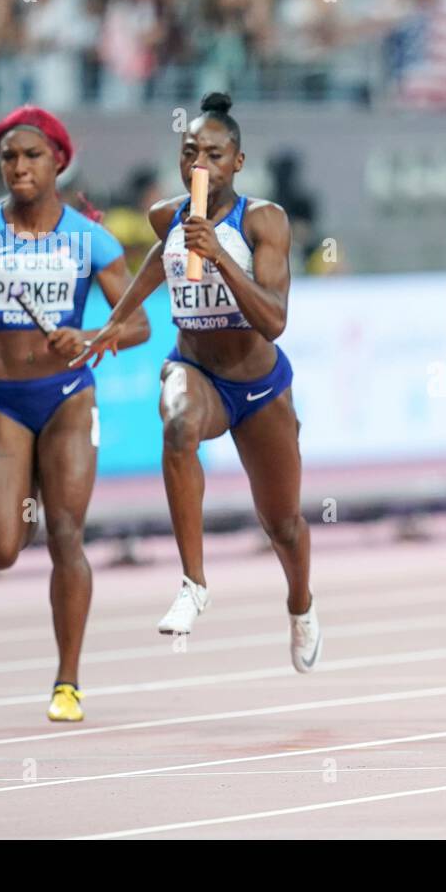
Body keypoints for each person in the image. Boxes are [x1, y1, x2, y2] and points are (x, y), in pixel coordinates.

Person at [73, 92, 321, 674]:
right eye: (189, 153)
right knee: (178, 423)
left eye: (213, 153)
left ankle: (301, 604)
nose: (199, 164)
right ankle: (193, 582)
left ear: (238, 162)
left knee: (283, 524)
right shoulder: (168, 215)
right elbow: (162, 255)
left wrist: (220, 258)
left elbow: (275, 320)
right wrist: (116, 321)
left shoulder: (265, 221)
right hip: (197, 370)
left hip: (258, 387)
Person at [0, 105, 150, 722]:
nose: (18, 167)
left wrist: (87, 337)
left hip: (68, 401)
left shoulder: (90, 238)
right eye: (8, 158)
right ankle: (23, 487)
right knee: (1, 549)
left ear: (59, 159)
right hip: (5, 404)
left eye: (31, 156)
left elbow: (136, 322)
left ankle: (67, 681)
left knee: (66, 535)